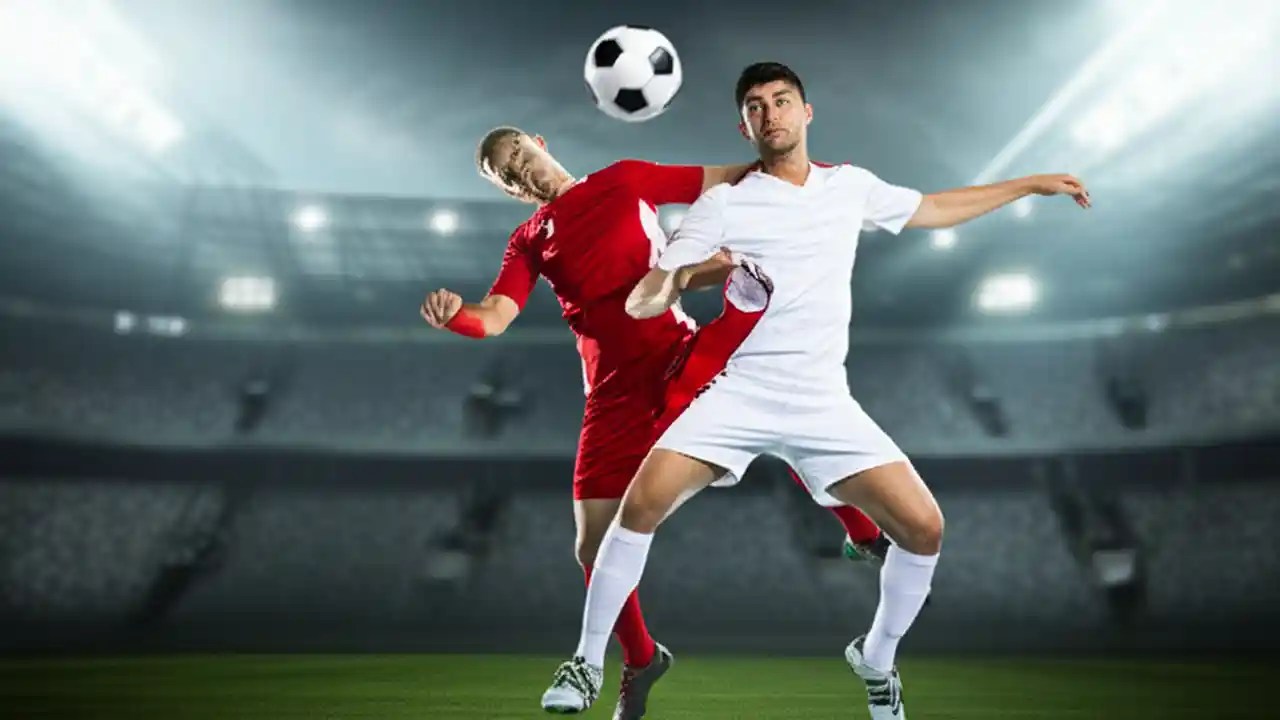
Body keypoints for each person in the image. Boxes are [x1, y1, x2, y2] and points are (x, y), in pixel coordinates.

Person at [541, 61, 1091, 719]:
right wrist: (691, 278)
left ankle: (877, 659)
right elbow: (646, 296)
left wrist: (1029, 183)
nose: (769, 113)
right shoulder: (724, 203)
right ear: (742, 125)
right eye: (754, 105)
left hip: (821, 401)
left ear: (807, 112)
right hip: (737, 391)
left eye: (781, 100)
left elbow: (935, 209)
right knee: (638, 509)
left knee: (924, 529)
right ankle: (584, 664)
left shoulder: (849, 186)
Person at [419, 127, 890, 719]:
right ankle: (642, 660)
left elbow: (728, 175)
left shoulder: (624, 179)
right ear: (509, 190)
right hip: (611, 397)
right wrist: (456, 315)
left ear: (540, 142)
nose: (520, 170)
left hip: (674, 358)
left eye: (518, 154)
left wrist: (816, 176)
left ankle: (866, 534)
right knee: (592, 546)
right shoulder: (529, 241)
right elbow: (493, 318)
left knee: (777, 417)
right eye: (505, 174)